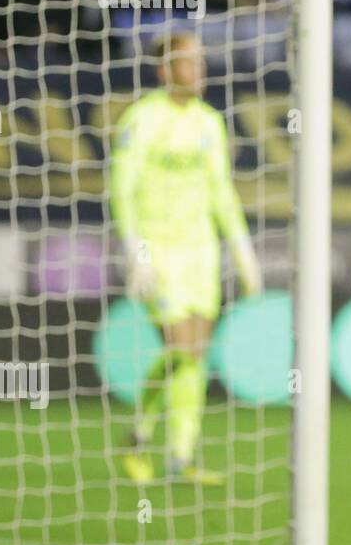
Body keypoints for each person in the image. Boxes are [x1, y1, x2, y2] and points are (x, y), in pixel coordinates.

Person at [110, 31, 262, 485]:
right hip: (156, 251)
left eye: (201, 60)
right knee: (181, 345)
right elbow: (123, 191)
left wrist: (243, 252)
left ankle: (178, 455)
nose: (200, 70)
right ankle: (139, 434)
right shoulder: (141, 120)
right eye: (189, 62)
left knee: (195, 354)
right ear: (165, 69)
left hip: (200, 252)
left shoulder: (209, 122)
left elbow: (221, 194)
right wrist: (135, 252)